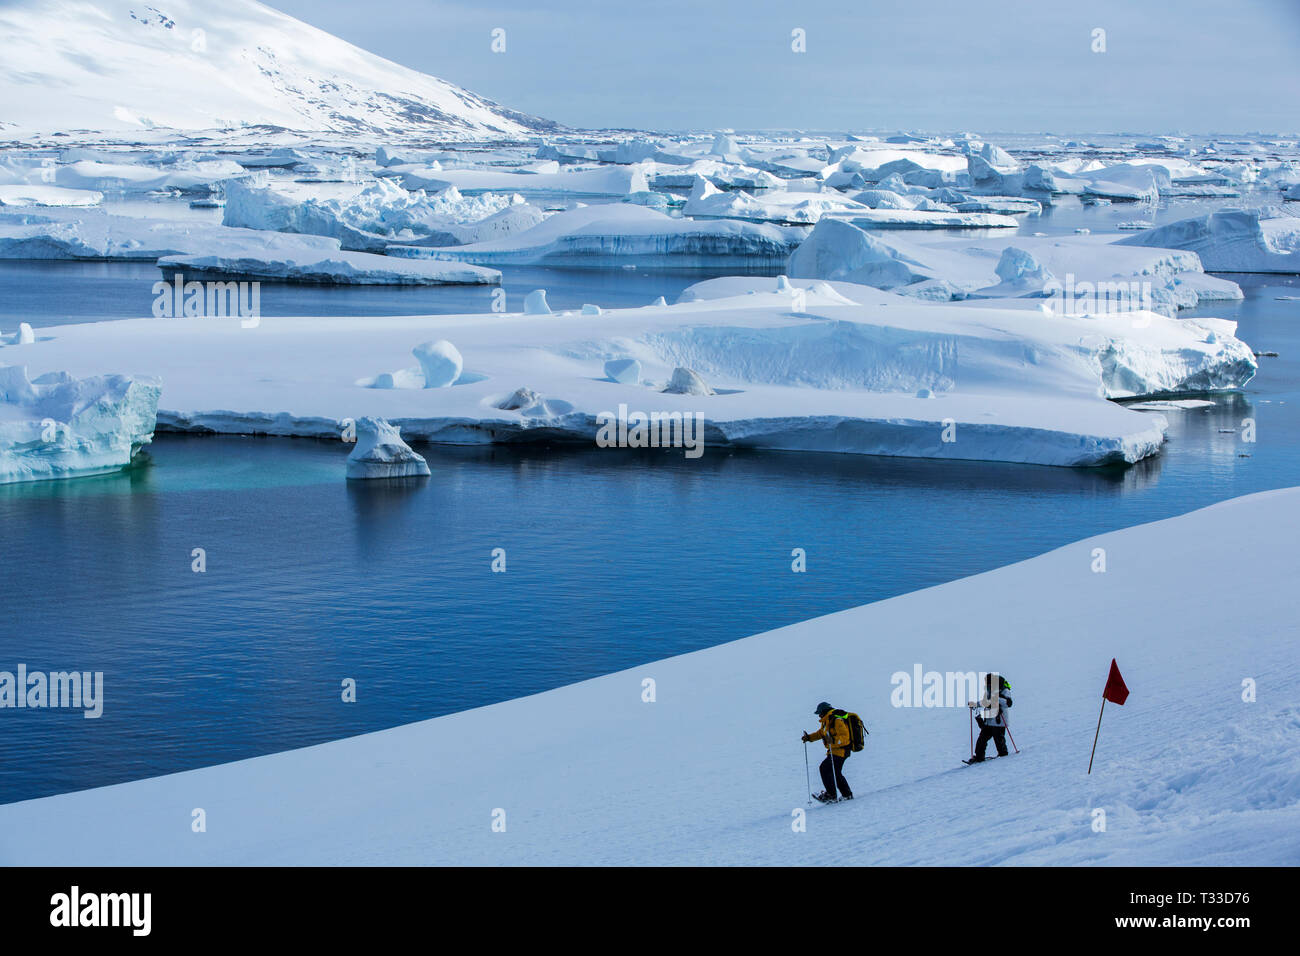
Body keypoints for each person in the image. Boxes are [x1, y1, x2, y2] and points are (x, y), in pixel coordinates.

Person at [802, 701, 853, 802]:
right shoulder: (827, 721)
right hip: (834, 751)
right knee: (835, 773)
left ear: (824, 712)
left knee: (825, 768)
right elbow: (821, 733)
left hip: (841, 751)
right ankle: (846, 795)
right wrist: (809, 738)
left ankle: (831, 795)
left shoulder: (836, 720)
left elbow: (845, 737)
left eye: (819, 713)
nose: (819, 716)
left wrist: (833, 740)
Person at [968, 673, 1013, 762]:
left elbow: (1008, 703)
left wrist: (996, 699)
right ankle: (979, 757)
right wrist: (975, 704)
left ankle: (1004, 756)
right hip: (989, 719)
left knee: (999, 740)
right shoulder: (990, 689)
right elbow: (985, 702)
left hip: (999, 720)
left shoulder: (1004, 690)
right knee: (982, 739)